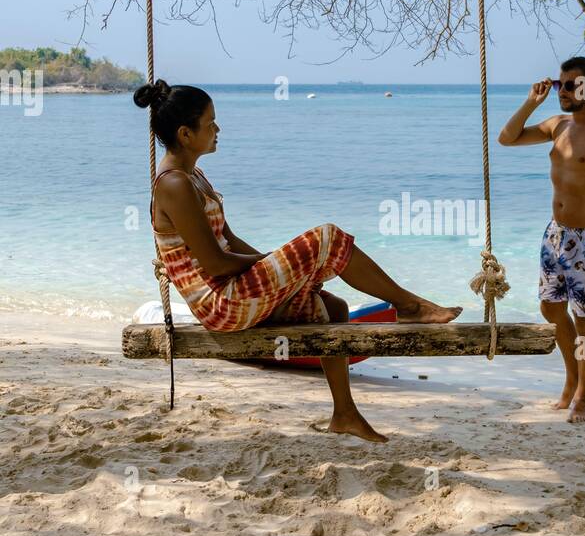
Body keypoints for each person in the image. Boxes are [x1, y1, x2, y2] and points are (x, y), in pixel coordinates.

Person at [134, 80, 461, 444]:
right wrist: (285, 264)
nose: (218, 129)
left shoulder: (193, 177)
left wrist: (281, 268)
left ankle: (345, 414)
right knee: (328, 238)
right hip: (220, 303)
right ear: (185, 133)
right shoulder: (173, 184)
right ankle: (409, 305)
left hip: (232, 292)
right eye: (210, 123)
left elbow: (230, 240)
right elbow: (215, 264)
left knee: (331, 307)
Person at [498, 56, 585, 422]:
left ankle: (583, 397)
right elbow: (506, 138)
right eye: (560, 85)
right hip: (556, 236)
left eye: (572, 84)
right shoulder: (557, 126)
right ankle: (572, 378)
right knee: (550, 308)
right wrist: (532, 102)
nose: (564, 92)